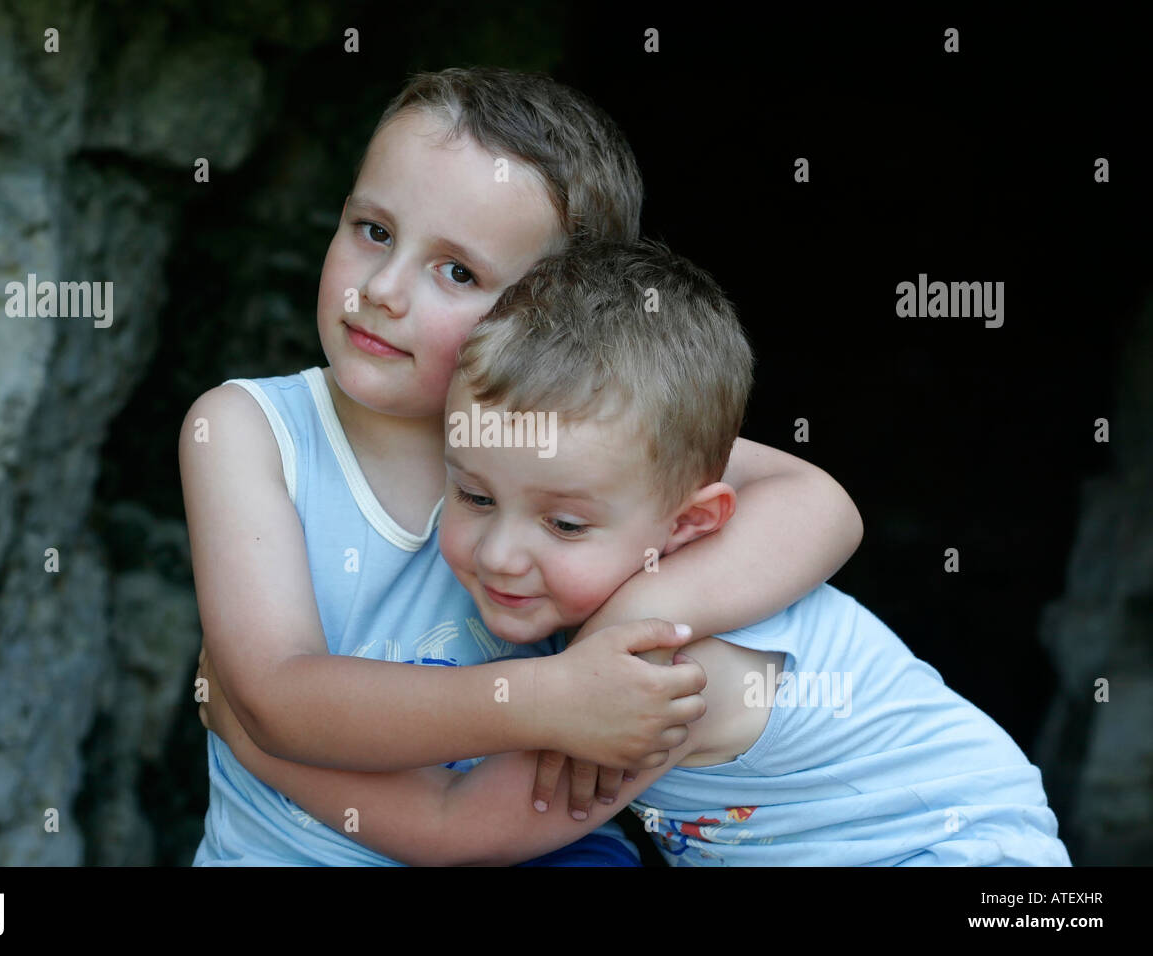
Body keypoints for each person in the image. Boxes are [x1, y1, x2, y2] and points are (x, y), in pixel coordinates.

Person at [203, 238, 1071, 867]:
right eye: (472, 497)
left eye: (566, 525)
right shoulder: (622, 565)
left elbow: (454, 827)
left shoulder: (658, 677)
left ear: (688, 525)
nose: (502, 554)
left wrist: (257, 737)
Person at [183, 69, 863, 866]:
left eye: (458, 272)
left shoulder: (573, 440)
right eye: (372, 230)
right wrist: (556, 698)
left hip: (532, 841)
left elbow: (820, 504)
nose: (384, 289)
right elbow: (275, 697)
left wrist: (628, 634)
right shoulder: (248, 430)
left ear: (557, 322)